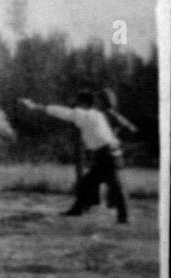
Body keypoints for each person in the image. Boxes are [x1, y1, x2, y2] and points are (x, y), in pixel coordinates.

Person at [20, 91, 128, 223]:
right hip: (110, 153)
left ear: (83, 104)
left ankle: (122, 218)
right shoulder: (97, 114)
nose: (75, 106)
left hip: (107, 154)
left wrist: (35, 106)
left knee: (113, 186)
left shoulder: (84, 114)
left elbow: (63, 113)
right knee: (89, 182)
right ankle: (80, 210)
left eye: (77, 103)